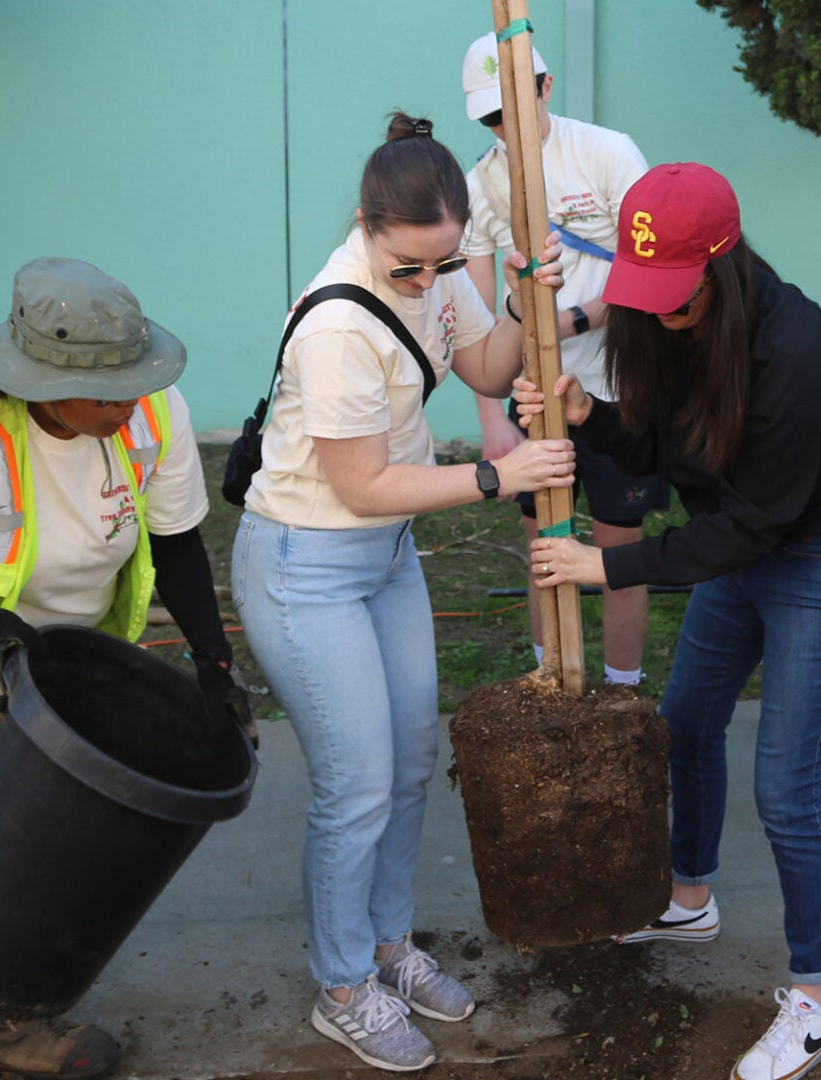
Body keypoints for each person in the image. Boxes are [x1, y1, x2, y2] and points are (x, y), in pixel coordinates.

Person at [523, 163, 821, 1080]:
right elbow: (667, 448)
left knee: (787, 782)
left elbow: (754, 522)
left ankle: (817, 996)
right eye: (643, 295)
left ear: (722, 266)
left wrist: (605, 564)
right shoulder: (666, 319)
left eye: (674, 297)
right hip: (742, 540)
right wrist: (589, 417)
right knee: (683, 722)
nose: (657, 314)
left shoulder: (795, 348)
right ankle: (689, 896)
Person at [229, 113, 575, 1073]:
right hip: (308, 563)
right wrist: (500, 476)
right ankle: (343, 986)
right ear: (364, 227)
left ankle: (390, 948)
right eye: (409, 270)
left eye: (442, 264)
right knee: (357, 782)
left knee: (412, 762)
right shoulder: (339, 324)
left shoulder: (441, 267)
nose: (427, 285)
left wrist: (515, 302)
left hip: (383, 559)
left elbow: (486, 368)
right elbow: (361, 485)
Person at [0, 256, 251, 1080]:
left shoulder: (151, 413)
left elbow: (174, 545)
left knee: (58, 839)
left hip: (65, 667)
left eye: (137, 381)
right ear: (41, 383)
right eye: (109, 394)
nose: (130, 404)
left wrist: (212, 659)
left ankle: (5, 988)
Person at [455, 32, 664, 688]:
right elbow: (475, 319)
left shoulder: (606, 153)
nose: (506, 129)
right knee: (544, 548)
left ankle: (624, 691)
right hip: (534, 396)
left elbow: (647, 271)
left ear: (546, 88)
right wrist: (492, 413)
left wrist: (569, 320)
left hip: (617, 386)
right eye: (492, 118)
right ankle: (552, 687)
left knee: (618, 549)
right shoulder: (478, 186)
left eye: (516, 107)